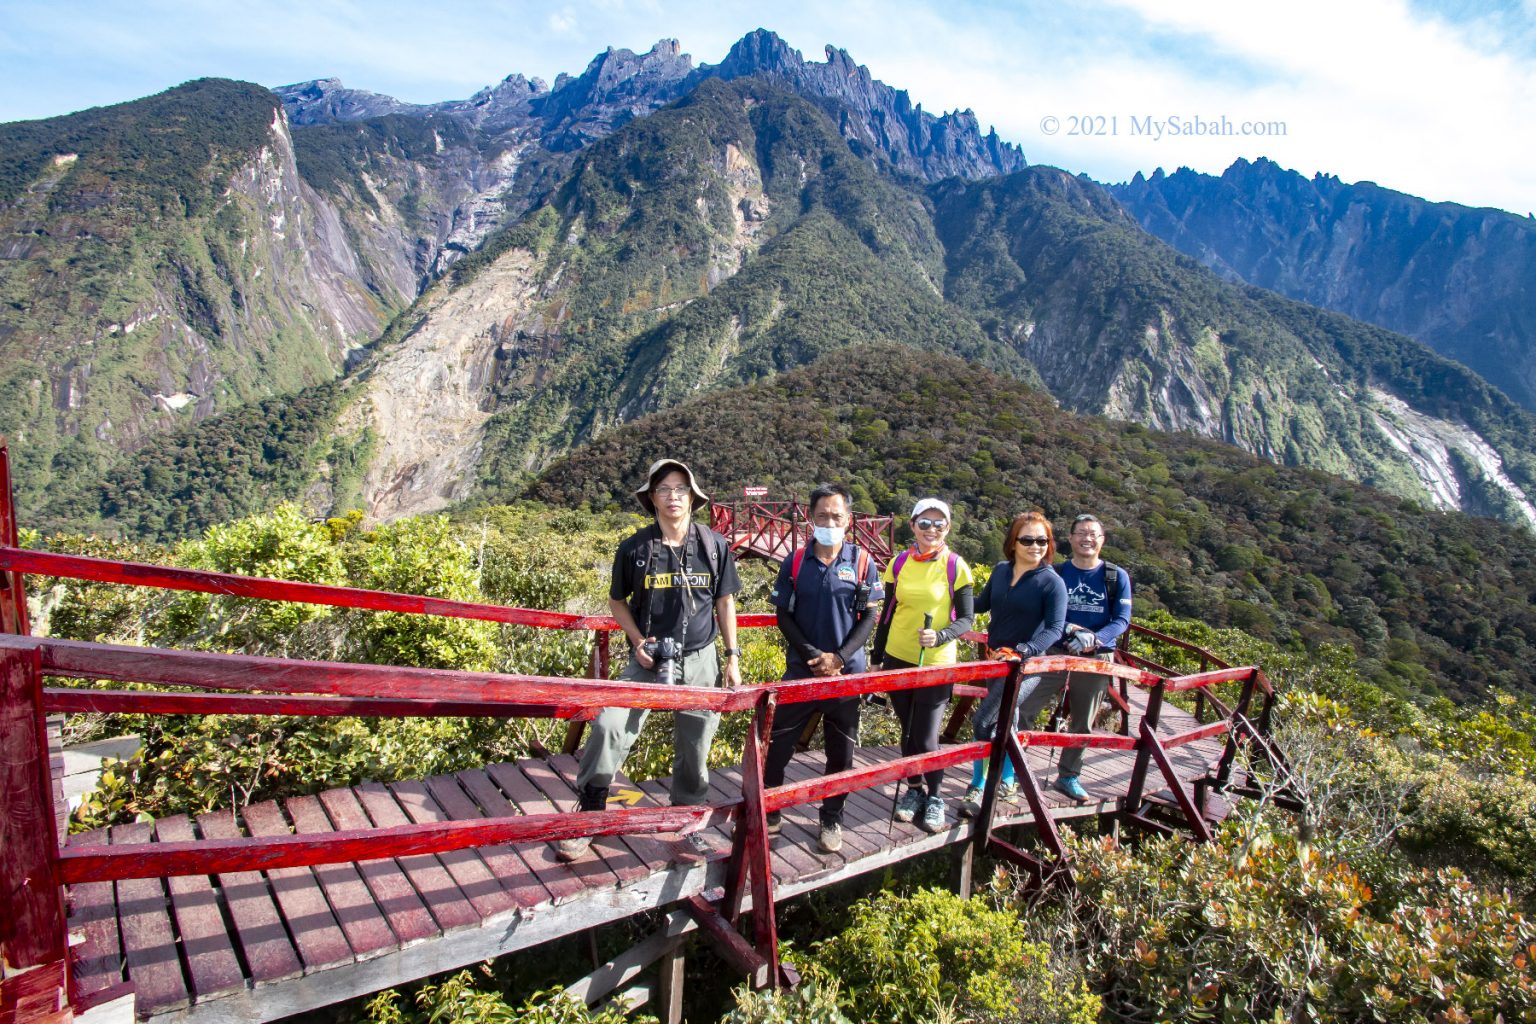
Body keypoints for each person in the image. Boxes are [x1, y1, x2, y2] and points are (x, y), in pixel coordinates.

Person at [556, 459, 743, 862]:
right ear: (652, 498)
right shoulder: (636, 548)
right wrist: (637, 640)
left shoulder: (714, 546)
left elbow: (726, 602)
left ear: (693, 498)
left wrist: (732, 656)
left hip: (700, 657)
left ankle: (685, 823)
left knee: (695, 745)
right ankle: (590, 812)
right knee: (609, 724)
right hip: (647, 658)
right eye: (664, 489)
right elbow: (616, 601)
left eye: (681, 489)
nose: (673, 496)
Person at [763, 484, 884, 853]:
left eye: (836, 516)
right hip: (802, 670)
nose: (829, 521)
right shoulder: (796, 562)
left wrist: (839, 658)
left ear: (848, 520)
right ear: (810, 518)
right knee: (779, 743)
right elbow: (783, 614)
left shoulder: (862, 563)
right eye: (822, 516)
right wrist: (815, 655)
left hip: (846, 674)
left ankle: (831, 818)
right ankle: (771, 810)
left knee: (841, 751)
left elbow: (869, 617)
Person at [1012, 513, 1133, 802]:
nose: (1087, 538)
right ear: (1071, 538)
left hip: (1096, 658)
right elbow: (1046, 610)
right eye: (1081, 533)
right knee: (1025, 707)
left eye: (1093, 534)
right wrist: (1068, 629)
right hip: (1054, 649)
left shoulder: (1116, 577)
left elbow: (1122, 619)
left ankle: (1069, 775)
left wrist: (1096, 639)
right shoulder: (1056, 573)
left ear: (1102, 540)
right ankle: (1012, 771)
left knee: (1083, 720)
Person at [872, 498, 974, 833]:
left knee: (927, 736)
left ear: (948, 528)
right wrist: (876, 658)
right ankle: (914, 791)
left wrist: (941, 635)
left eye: (939, 524)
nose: (932, 530)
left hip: (936, 663)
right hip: (897, 657)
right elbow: (887, 612)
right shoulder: (899, 563)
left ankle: (936, 797)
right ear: (913, 525)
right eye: (925, 523)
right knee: (908, 729)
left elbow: (968, 619)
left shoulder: (955, 566)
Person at [959, 512, 1067, 818]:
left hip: (1027, 665)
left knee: (984, 720)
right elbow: (981, 604)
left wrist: (1024, 651)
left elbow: (1055, 629)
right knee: (1011, 720)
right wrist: (950, 595)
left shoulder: (1051, 583)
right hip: (996, 660)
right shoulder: (1002, 571)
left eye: (1042, 540)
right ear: (1013, 542)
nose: (1036, 546)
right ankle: (1007, 780)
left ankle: (978, 784)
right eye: (1028, 539)